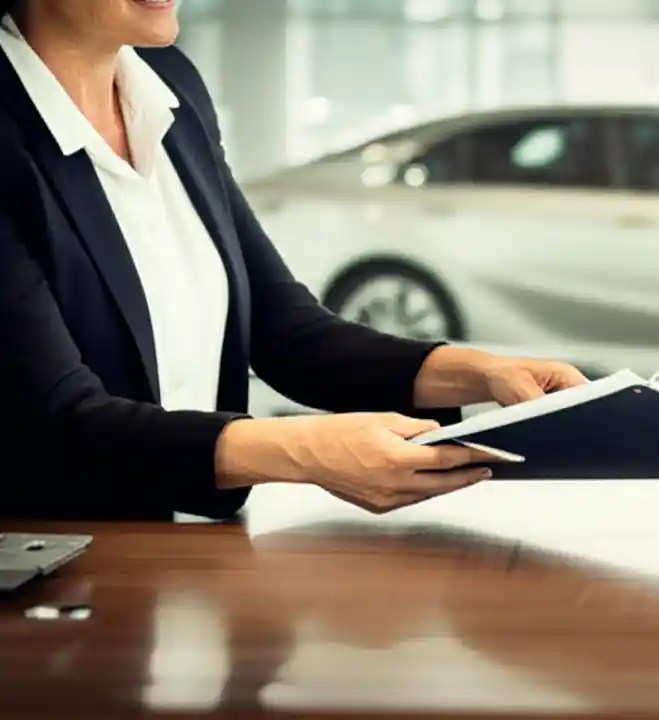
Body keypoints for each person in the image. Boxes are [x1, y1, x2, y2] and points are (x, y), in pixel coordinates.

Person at [0, 0, 588, 521]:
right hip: (54, 568)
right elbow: (55, 424)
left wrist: (481, 373)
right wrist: (302, 451)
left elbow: (286, 331)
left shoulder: (168, 85)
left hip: (188, 556)